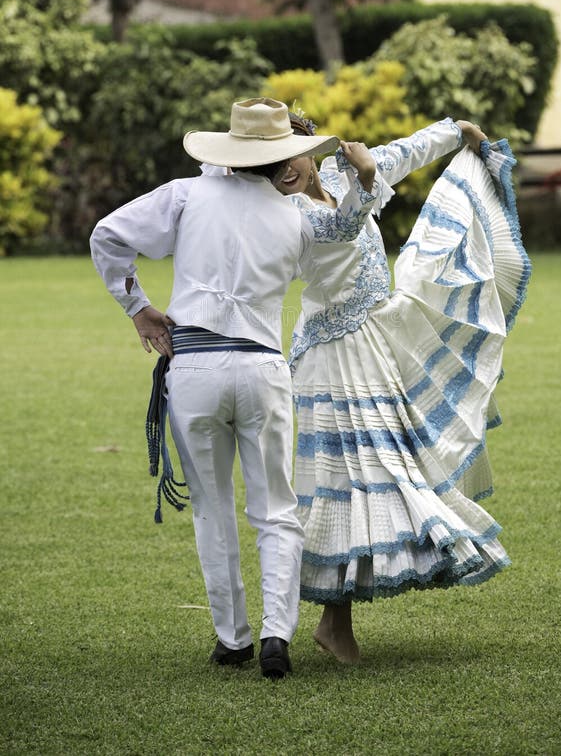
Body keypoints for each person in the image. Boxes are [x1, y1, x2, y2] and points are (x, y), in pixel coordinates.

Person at [89, 97, 382, 679]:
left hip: (194, 367)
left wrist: (139, 308)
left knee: (212, 509)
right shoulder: (297, 213)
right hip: (262, 371)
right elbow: (350, 226)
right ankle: (278, 634)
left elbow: (108, 236)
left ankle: (233, 639)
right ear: (281, 155)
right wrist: (366, 180)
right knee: (276, 507)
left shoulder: (185, 194)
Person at [274, 111, 531, 664]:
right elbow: (338, 228)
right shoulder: (286, 212)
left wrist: (458, 131)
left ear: (313, 148)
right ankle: (331, 620)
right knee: (354, 478)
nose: (283, 170)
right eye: (268, 165)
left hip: (372, 341)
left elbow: (403, 153)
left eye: (289, 155)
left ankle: (334, 621)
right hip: (331, 354)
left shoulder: (345, 172)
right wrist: (367, 182)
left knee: (381, 470)